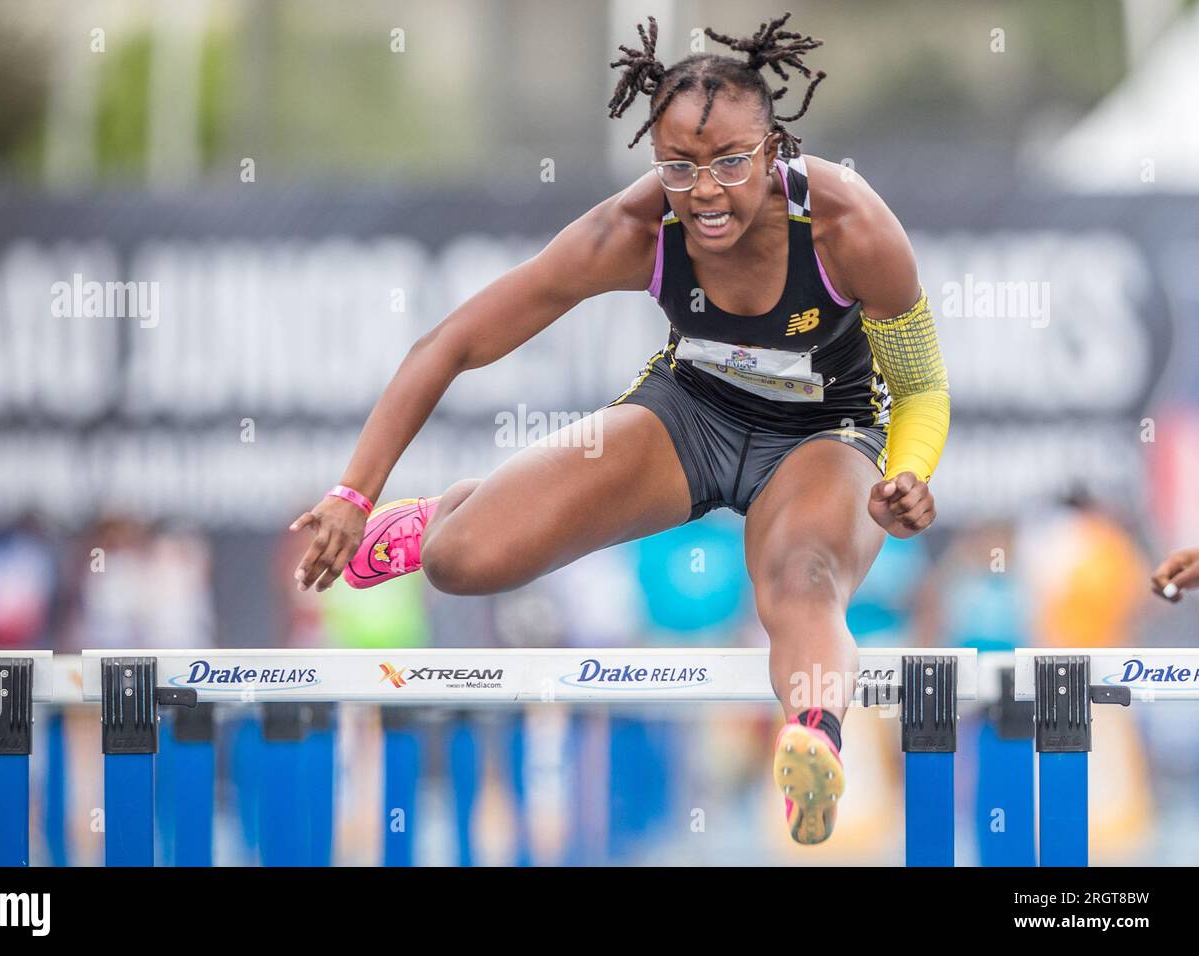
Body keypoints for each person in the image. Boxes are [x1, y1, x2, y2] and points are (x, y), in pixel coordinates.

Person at [289, 14, 950, 845]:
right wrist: (355, 492)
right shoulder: (637, 228)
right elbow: (451, 343)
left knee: (803, 578)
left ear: (777, 150)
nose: (705, 192)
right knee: (461, 564)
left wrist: (911, 471)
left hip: (825, 434)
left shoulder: (852, 228)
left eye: (731, 164)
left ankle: (812, 741)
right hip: (691, 413)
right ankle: (447, 512)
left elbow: (921, 387)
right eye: (679, 166)